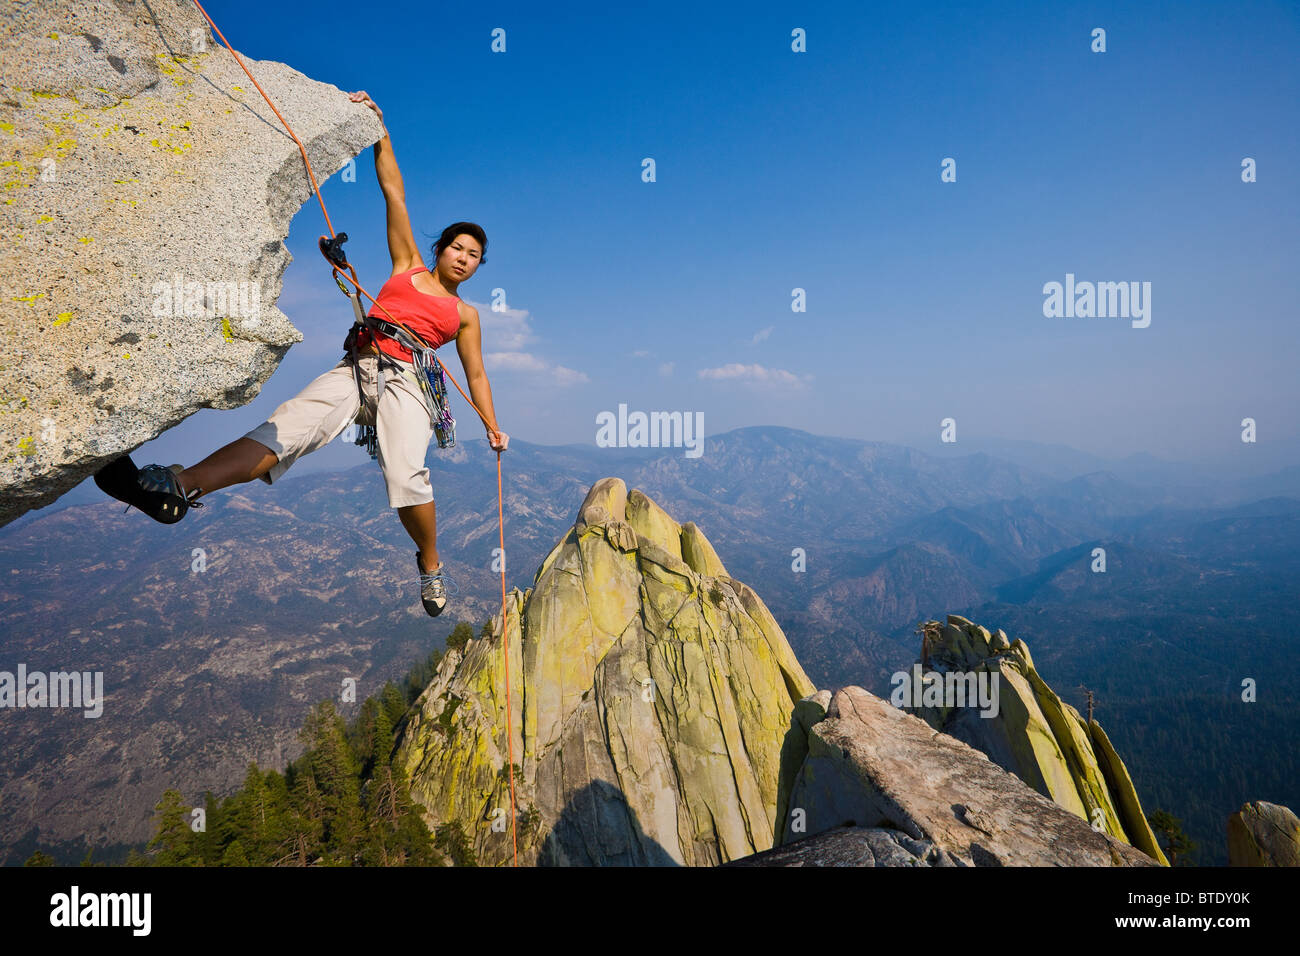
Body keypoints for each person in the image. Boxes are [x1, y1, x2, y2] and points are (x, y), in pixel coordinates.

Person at [93, 90, 508, 618]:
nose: (465, 259)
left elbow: (476, 372)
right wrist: (378, 126)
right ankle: (178, 485)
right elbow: (393, 193)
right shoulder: (406, 267)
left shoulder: (467, 314)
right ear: (441, 248)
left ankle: (429, 561)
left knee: (405, 475)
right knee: (280, 433)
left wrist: (492, 425)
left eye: (475, 257)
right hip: (358, 367)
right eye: (458, 248)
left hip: (409, 381)